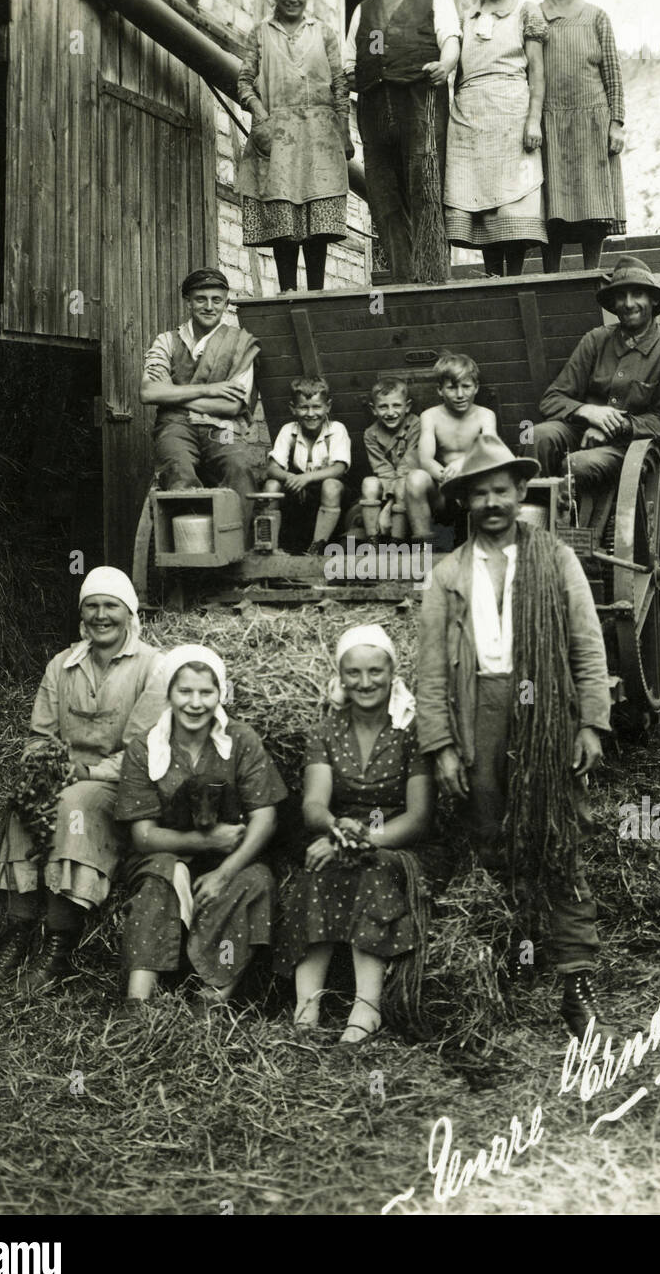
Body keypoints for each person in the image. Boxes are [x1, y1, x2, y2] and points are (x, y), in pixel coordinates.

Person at [415, 434, 615, 1039]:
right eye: (481, 493)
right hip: (479, 707)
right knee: (490, 832)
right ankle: (511, 957)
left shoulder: (555, 559)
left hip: (547, 711)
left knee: (559, 833)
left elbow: (585, 643)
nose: (493, 502)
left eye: (502, 490)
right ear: (466, 503)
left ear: (521, 492)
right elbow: (428, 670)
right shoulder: (447, 574)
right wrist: (443, 744)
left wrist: (590, 722)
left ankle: (576, 982)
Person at [0, 568, 163, 994]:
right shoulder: (62, 666)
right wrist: (44, 770)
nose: (101, 616)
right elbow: (40, 737)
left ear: (129, 612)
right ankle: (19, 929)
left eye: (111, 606)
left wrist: (86, 773)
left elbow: (143, 751)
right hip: (64, 774)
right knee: (25, 803)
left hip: (118, 783)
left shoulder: (152, 667)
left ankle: (60, 940)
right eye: (92, 606)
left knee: (73, 807)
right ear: (82, 614)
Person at [274, 625, 450, 1044]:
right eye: (353, 672)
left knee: (369, 865)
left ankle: (366, 1006)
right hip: (346, 831)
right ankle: (307, 1006)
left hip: (402, 841)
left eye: (375, 671)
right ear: (340, 675)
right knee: (316, 867)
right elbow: (314, 804)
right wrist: (336, 829)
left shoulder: (413, 729)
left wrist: (358, 842)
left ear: (393, 672)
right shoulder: (325, 730)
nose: (365, 682)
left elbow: (420, 816)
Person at [114, 645, 287, 1010]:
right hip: (161, 853)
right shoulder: (145, 748)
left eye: (206, 692)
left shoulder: (240, 741)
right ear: (169, 694)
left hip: (228, 859)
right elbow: (143, 836)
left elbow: (266, 818)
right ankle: (137, 1002)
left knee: (255, 883)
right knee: (162, 878)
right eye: (185, 692)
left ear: (220, 694)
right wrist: (208, 840)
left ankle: (212, 995)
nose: (195, 703)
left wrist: (224, 872)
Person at [344, 0, 461, 283]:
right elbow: (360, 56)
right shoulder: (367, 10)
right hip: (377, 112)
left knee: (424, 191)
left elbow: (451, 39)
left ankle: (433, 280)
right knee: (385, 198)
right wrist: (356, 73)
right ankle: (402, 279)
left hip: (420, 105)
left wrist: (446, 64)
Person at [527, 256, 660, 494]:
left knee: (575, 466)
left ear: (653, 299)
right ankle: (533, 519)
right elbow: (552, 399)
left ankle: (571, 523)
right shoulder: (596, 339)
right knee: (533, 436)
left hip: (635, 446)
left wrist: (615, 426)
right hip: (583, 432)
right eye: (621, 296)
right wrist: (588, 411)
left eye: (637, 294)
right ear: (613, 303)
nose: (628, 303)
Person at [238, 0, 353, 294]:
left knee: (317, 223)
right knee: (283, 220)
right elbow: (245, 80)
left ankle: (316, 293)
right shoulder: (260, 33)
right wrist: (260, 116)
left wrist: (343, 129)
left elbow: (339, 84)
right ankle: (287, 292)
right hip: (279, 131)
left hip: (320, 132)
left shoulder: (324, 32)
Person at [444, 0, 548, 277]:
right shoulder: (468, 17)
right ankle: (493, 278)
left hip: (511, 115)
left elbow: (537, 71)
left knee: (512, 203)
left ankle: (514, 280)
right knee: (481, 202)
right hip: (471, 119)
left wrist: (534, 121)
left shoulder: (526, 10)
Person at [140, 268, 259, 539]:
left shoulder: (239, 343)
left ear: (226, 303)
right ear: (188, 301)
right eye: (200, 299)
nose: (209, 306)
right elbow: (147, 393)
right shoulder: (167, 341)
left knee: (239, 468)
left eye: (217, 300)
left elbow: (232, 407)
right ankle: (189, 551)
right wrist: (212, 390)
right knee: (177, 468)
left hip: (223, 426)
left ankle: (235, 547)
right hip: (175, 426)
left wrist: (172, 392)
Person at [539, 0, 626, 273]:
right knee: (552, 209)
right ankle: (552, 279)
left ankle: (592, 276)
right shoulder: (535, 16)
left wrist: (615, 123)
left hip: (592, 121)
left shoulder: (596, 16)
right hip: (551, 122)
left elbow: (614, 75)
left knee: (594, 206)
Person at [405, 353, 497, 540]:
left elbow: (490, 448)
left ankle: (483, 543)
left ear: (476, 387)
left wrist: (463, 463)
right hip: (443, 487)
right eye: (452, 388)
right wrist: (450, 484)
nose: (460, 394)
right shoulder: (430, 416)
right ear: (440, 390)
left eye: (466, 386)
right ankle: (423, 546)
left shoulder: (485, 415)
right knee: (415, 478)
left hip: (475, 485)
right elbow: (426, 460)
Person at [265, 377, 351, 555]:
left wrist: (306, 478)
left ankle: (317, 547)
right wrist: (293, 478)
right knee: (271, 486)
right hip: (299, 495)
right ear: (293, 408)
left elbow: (339, 469)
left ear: (328, 406)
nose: (311, 414)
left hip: (329, 495)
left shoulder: (336, 429)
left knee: (331, 485)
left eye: (317, 407)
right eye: (304, 407)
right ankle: (269, 547)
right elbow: (272, 469)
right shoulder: (289, 430)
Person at [361, 377, 421, 541]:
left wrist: (387, 508)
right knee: (369, 483)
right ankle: (373, 539)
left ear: (407, 406)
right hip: (388, 484)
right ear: (374, 409)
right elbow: (382, 470)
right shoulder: (370, 434)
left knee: (402, 483)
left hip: (410, 485)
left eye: (396, 405)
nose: (390, 412)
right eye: (383, 406)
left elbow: (407, 467)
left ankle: (397, 539)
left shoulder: (415, 425)